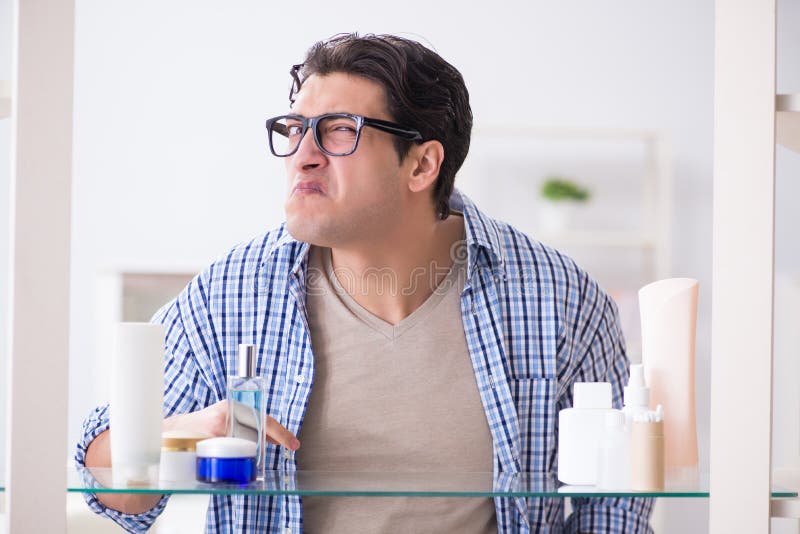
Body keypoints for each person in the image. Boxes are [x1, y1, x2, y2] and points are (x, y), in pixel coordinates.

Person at [76, 33, 654, 533]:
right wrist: (180, 434)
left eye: (337, 132)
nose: (302, 155)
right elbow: (109, 489)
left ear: (423, 165)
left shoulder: (560, 297)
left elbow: (616, 503)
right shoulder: (232, 291)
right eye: (294, 129)